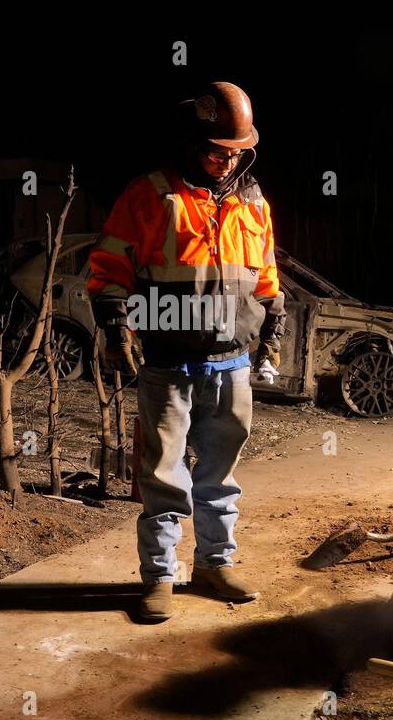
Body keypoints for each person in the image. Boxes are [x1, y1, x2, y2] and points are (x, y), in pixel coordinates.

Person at [87, 81, 286, 623]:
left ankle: (214, 565)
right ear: (190, 142)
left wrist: (274, 322)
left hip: (232, 361)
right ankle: (159, 578)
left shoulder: (252, 202)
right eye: (216, 151)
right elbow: (109, 268)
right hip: (169, 361)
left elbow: (265, 273)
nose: (225, 162)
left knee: (219, 476)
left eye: (236, 152)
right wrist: (114, 325)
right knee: (162, 474)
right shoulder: (149, 195)